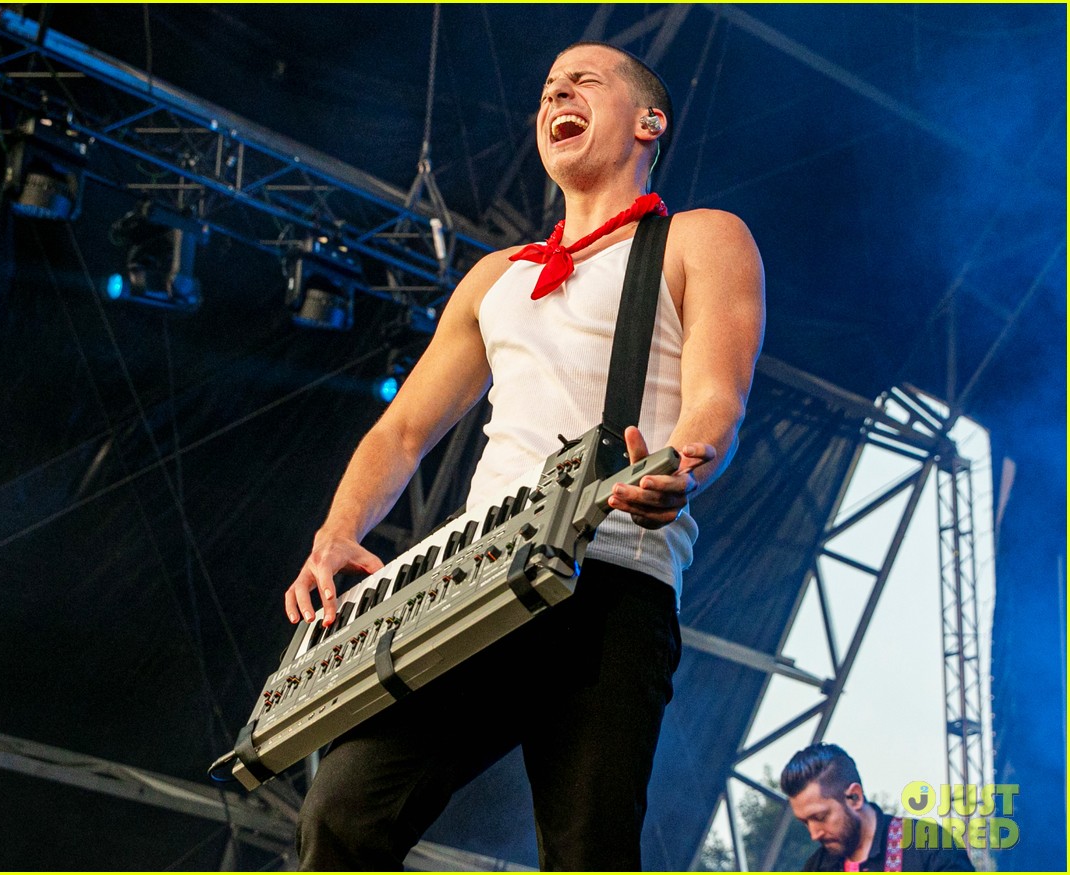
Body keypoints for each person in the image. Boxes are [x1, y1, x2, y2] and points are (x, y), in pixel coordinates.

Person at [283, 40, 765, 870]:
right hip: (475, 580)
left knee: (588, 854)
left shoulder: (702, 238)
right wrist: (337, 530)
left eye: (584, 83)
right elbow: (402, 431)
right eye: (546, 90)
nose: (555, 98)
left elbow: (718, 393)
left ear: (650, 121)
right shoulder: (497, 276)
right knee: (344, 809)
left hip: (616, 580)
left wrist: (686, 463)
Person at [782, 743, 975, 871]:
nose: (814, 834)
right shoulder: (816, 867)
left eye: (820, 817)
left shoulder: (926, 846)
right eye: (805, 823)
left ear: (855, 797)